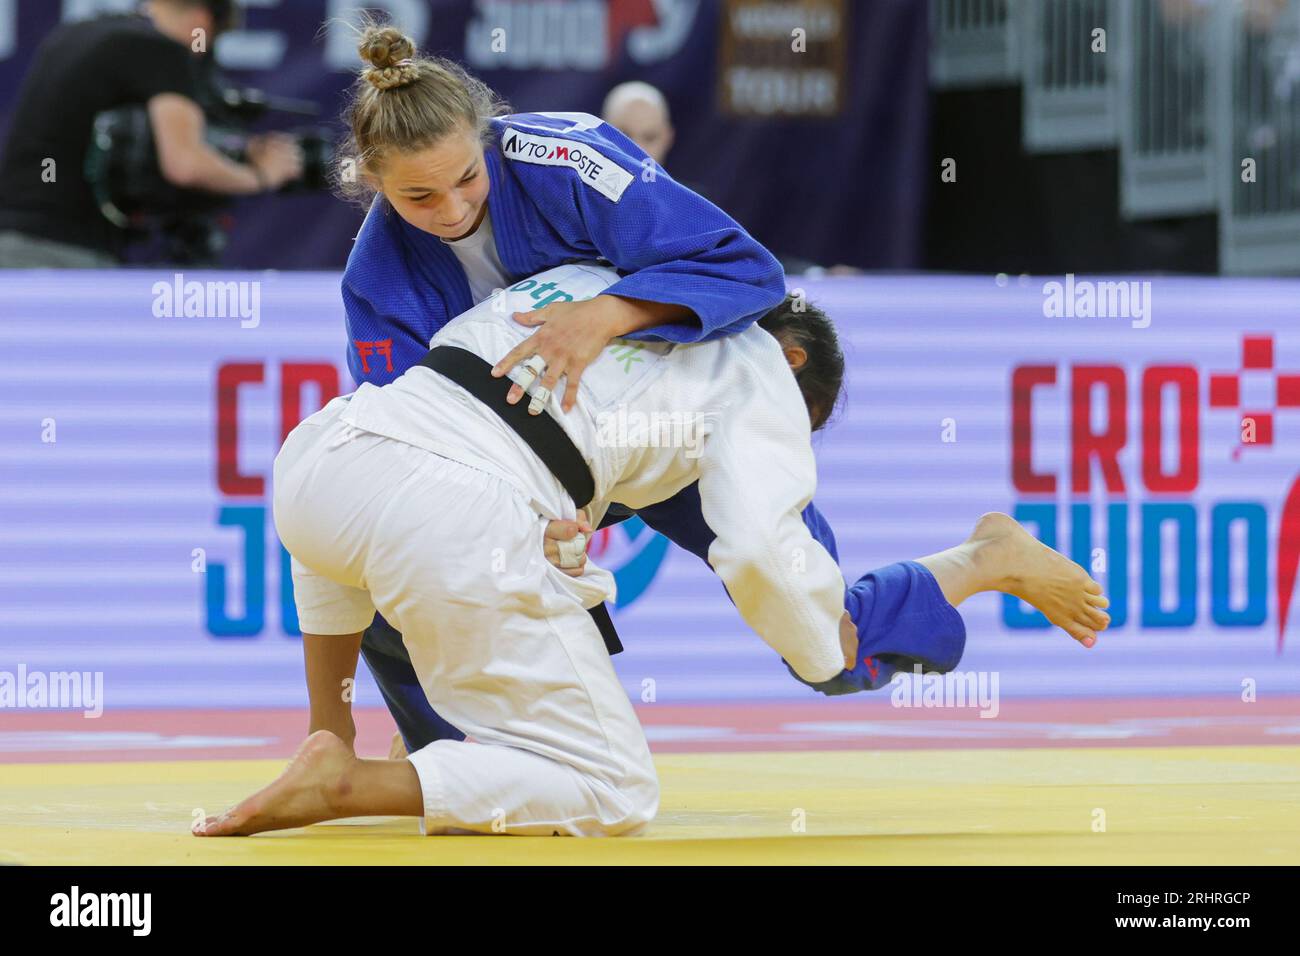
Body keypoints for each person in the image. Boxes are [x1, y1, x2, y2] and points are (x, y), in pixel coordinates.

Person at [196, 264, 1109, 838]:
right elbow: (755, 548)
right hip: (479, 490)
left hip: (334, 448)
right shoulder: (756, 377)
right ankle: (347, 773)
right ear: (793, 368)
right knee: (616, 783)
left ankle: (334, 740)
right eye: (807, 430)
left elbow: (351, 551)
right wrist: (818, 649)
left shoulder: (590, 279)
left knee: (355, 549)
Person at [0, 0, 302, 268]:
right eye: (211, 41)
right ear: (202, 21)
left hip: (11, 246)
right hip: (67, 256)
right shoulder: (163, 50)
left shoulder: (75, 33)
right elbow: (185, 165)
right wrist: (262, 175)